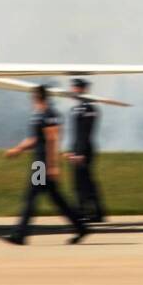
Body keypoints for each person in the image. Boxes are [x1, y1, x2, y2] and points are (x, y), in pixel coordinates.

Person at [4, 85, 87, 245]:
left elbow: (53, 141)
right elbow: (34, 139)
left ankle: (19, 235)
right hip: (39, 162)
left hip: (43, 164)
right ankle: (81, 227)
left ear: (37, 97)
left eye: (33, 97)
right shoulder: (38, 115)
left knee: (31, 198)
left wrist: (53, 166)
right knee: (56, 199)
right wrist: (18, 149)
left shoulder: (50, 115)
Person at [64, 78, 105, 222]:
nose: (73, 90)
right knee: (79, 181)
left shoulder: (89, 109)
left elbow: (85, 132)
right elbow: (74, 132)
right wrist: (71, 149)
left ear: (83, 89)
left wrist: (80, 153)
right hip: (77, 147)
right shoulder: (76, 109)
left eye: (75, 88)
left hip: (85, 148)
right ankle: (88, 210)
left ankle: (88, 211)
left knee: (84, 182)